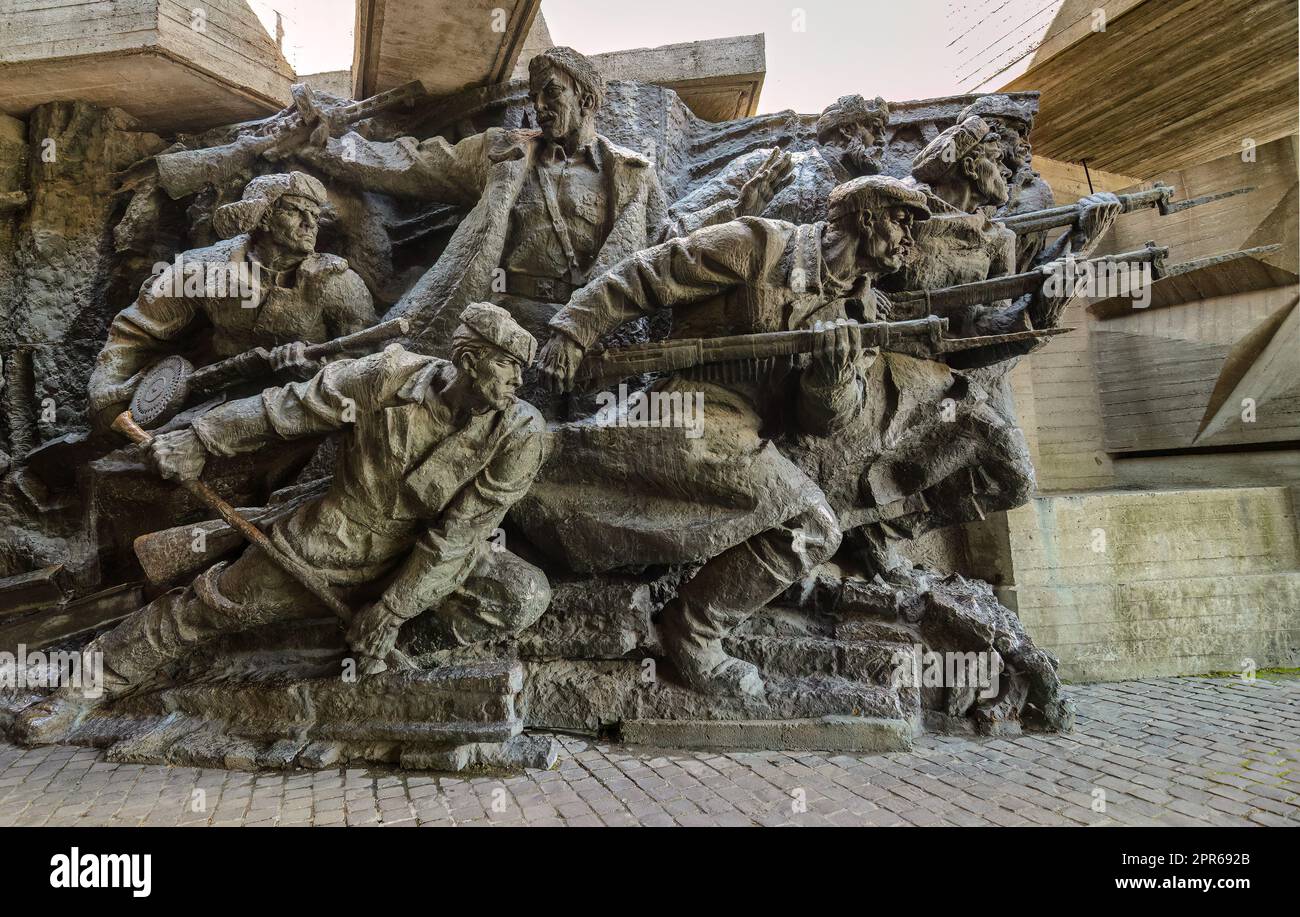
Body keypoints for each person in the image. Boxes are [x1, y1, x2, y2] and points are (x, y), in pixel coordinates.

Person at [19, 303, 550, 744]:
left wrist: (393, 609)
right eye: (508, 367)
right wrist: (198, 439)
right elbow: (284, 409)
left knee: (522, 594)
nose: (519, 382)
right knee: (209, 607)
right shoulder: (383, 378)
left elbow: (460, 532)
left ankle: (372, 651)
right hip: (334, 534)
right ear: (468, 358)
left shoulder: (522, 431)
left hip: (436, 561)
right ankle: (82, 690)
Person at [517, 176, 929, 697]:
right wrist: (573, 329)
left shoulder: (859, 313)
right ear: (866, 217)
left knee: (810, 530)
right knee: (810, 523)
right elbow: (652, 272)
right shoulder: (763, 245)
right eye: (901, 221)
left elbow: (823, 424)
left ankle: (688, 623)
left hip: (748, 431)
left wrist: (832, 377)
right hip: (687, 404)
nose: (908, 238)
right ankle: (693, 634)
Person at [87, 171, 377, 433]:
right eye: (295, 211)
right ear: (262, 217)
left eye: (314, 215)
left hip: (297, 407)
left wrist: (315, 368)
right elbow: (134, 330)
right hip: (210, 397)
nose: (310, 224)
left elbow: (365, 360)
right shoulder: (202, 267)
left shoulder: (339, 282)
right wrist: (107, 399)